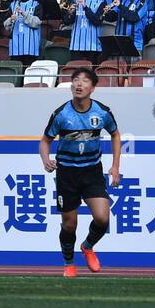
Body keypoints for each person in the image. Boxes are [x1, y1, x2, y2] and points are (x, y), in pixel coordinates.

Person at [40, 67, 121, 278]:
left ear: (92, 88)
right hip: (67, 173)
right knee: (69, 224)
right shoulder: (61, 114)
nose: (79, 84)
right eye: (75, 80)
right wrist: (45, 159)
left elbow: (115, 135)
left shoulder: (102, 112)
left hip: (92, 171)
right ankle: (69, 263)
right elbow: (45, 141)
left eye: (85, 81)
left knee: (103, 218)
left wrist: (115, 167)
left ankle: (87, 246)